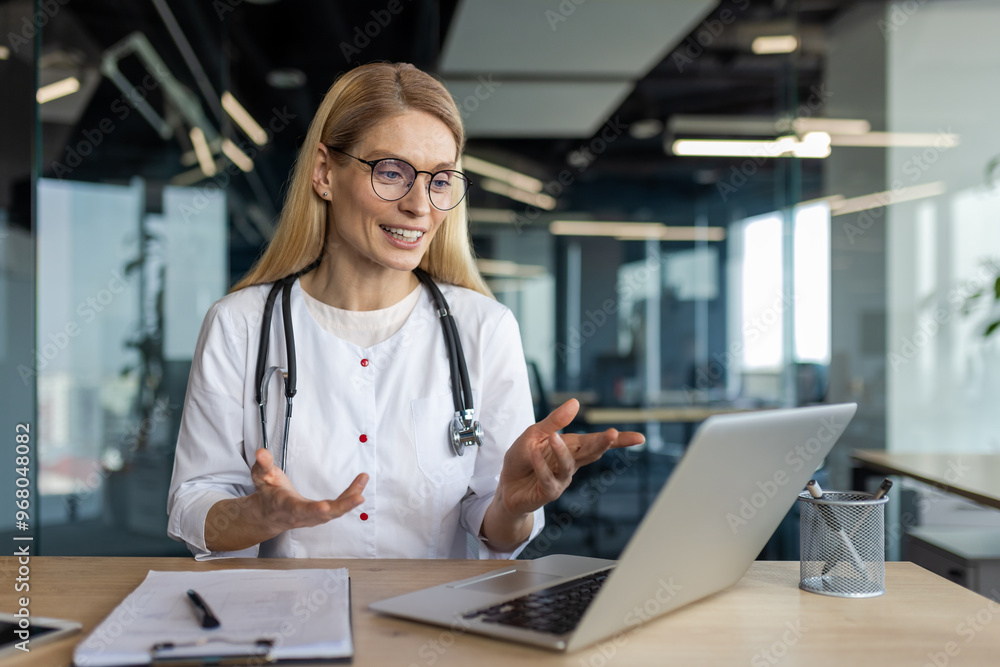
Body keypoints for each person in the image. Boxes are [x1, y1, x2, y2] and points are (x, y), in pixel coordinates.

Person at [166, 62, 643, 560]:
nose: (420, 205)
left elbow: (497, 528)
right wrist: (256, 517)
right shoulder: (239, 325)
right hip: (288, 624)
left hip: (437, 623)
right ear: (325, 173)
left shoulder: (484, 328)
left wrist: (512, 506)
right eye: (391, 172)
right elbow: (193, 502)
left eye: (440, 181)